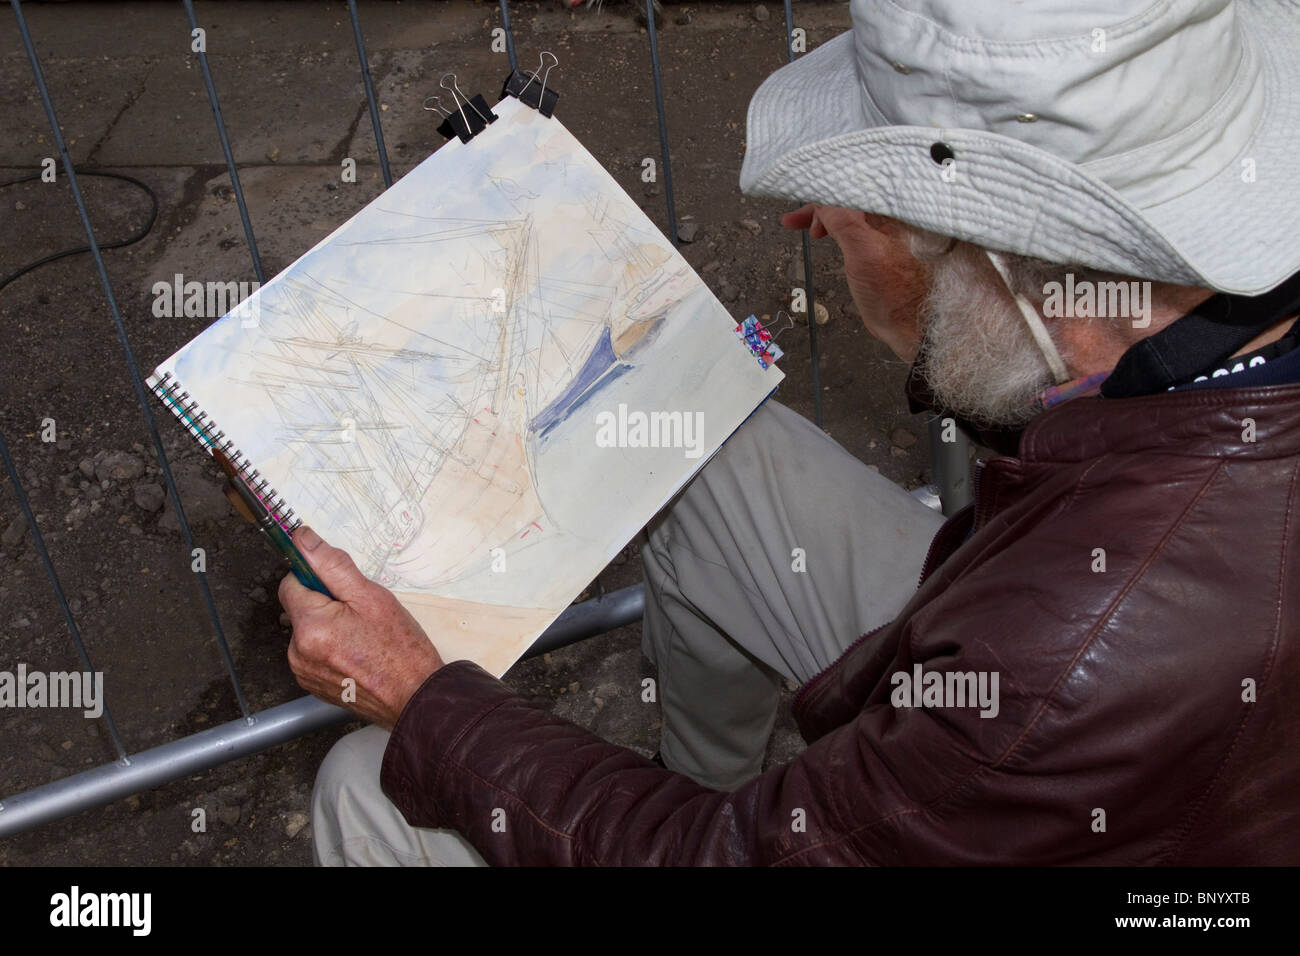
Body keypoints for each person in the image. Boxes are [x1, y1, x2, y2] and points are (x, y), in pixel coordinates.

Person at [281, 0, 1300, 865]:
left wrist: (423, 698)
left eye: (866, 199)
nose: (818, 220)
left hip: (1055, 701)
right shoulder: (1207, 346)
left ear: (982, 260)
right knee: (703, 449)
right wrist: (934, 287)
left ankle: (718, 808)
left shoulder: (1059, 664)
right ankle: (700, 784)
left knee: (370, 782)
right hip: (1103, 700)